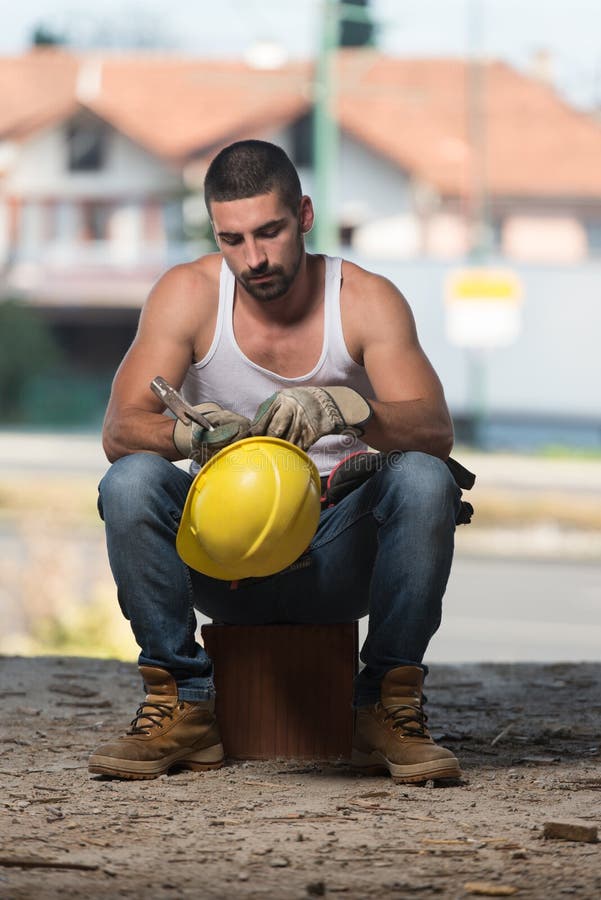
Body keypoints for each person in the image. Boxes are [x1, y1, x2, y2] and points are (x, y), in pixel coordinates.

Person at [89, 139, 466, 784]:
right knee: (130, 482)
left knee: (426, 478)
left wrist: (349, 407)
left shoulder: (365, 299)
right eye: (232, 239)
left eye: (270, 232)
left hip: (335, 555)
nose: (254, 258)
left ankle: (387, 705)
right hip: (226, 559)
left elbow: (436, 430)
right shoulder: (187, 294)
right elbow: (119, 431)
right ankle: (181, 702)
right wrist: (188, 438)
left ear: (305, 215)